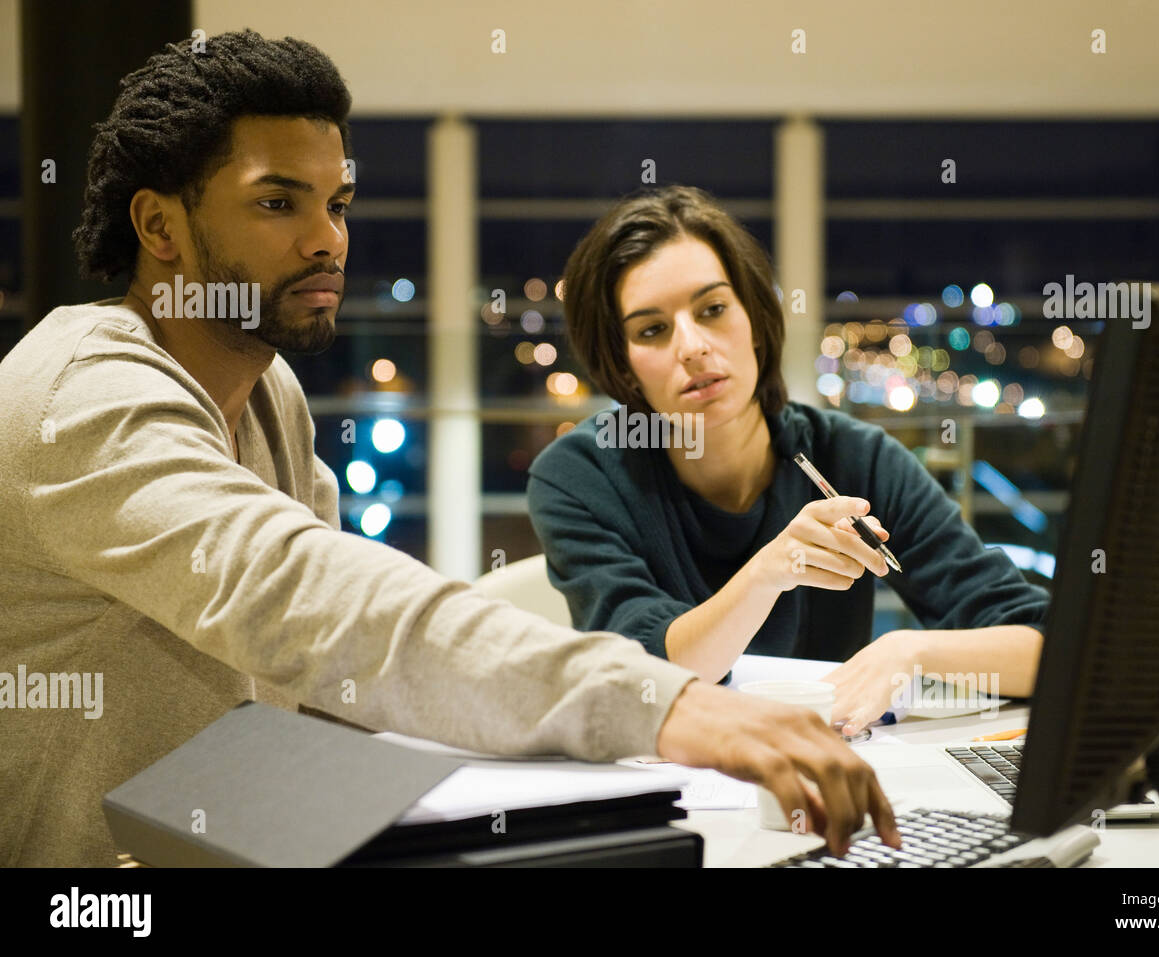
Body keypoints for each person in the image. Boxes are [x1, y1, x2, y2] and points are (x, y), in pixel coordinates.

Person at [0, 32, 898, 866]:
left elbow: (330, 690)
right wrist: (672, 706)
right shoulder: (81, 399)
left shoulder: (267, 391)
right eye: (278, 202)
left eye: (337, 204)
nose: (327, 239)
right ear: (158, 228)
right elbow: (316, 602)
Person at [528, 185, 1050, 737]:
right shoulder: (578, 478)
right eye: (651, 330)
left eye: (713, 309)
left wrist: (911, 651)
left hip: (830, 778)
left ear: (754, 319)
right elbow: (646, 677)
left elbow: (1044, 644)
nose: (692, 346)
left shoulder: (854, 458)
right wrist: (766, 575)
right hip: (667, 785)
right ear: (623, 365)